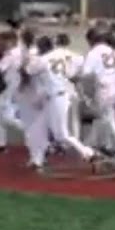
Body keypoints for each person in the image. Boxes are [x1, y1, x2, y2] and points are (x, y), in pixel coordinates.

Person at [22, 35, 97, 171]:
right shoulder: (62, 53)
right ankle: (37, 160)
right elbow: (80, 61)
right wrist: (72, 73)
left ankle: (88, 152)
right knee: (35, 130)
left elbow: (27, 70)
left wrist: (28, 58)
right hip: (57, 96)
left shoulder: (43, 59)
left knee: (61, 134)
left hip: (57, 98)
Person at [81, 28, 115, 168]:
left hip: (106, 89)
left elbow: (87, 76)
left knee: (109, 121)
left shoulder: (93, 53)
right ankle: (101, 145)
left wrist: (87, 95)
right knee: (104, 119)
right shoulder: (110, 50)